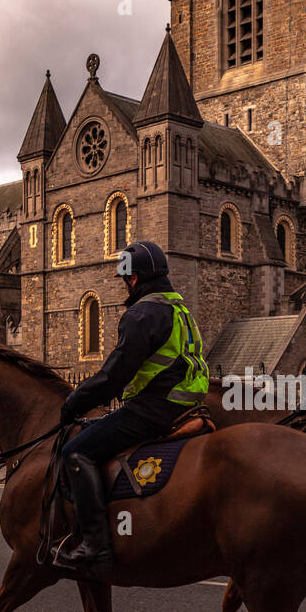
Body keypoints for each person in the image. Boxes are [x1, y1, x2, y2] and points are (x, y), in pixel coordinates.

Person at [54, 240, 209, 577]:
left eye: (125, 279)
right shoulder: (179, 308)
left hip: (154, 408)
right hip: (189, 403)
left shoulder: (142, 314)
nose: (125, 284)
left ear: (134, 278)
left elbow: (114, 376)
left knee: (76, 452)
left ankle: (95, 546)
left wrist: (73, 402)